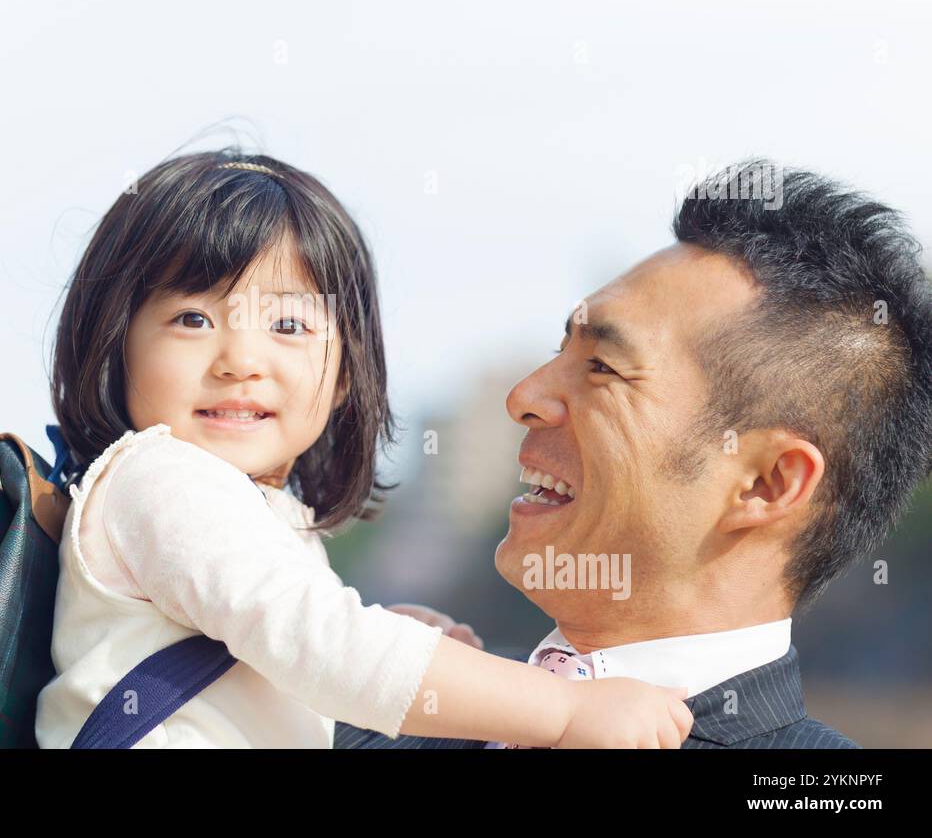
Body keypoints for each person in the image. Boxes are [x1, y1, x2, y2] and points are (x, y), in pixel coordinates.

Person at [33, 149, 693, 748]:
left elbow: (295, 642)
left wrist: (391, 634)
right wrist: (566, 709)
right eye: (193, 319)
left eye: (287, 324)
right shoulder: (162, 478)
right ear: (116, 345)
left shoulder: (252, 506)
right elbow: (322, 646)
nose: (240, 360)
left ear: (346, 370)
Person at [337, 159, 932, 749]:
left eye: (603, 367)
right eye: (560, 351)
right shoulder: (380, 700)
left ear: (767, 483)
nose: (524, 397)